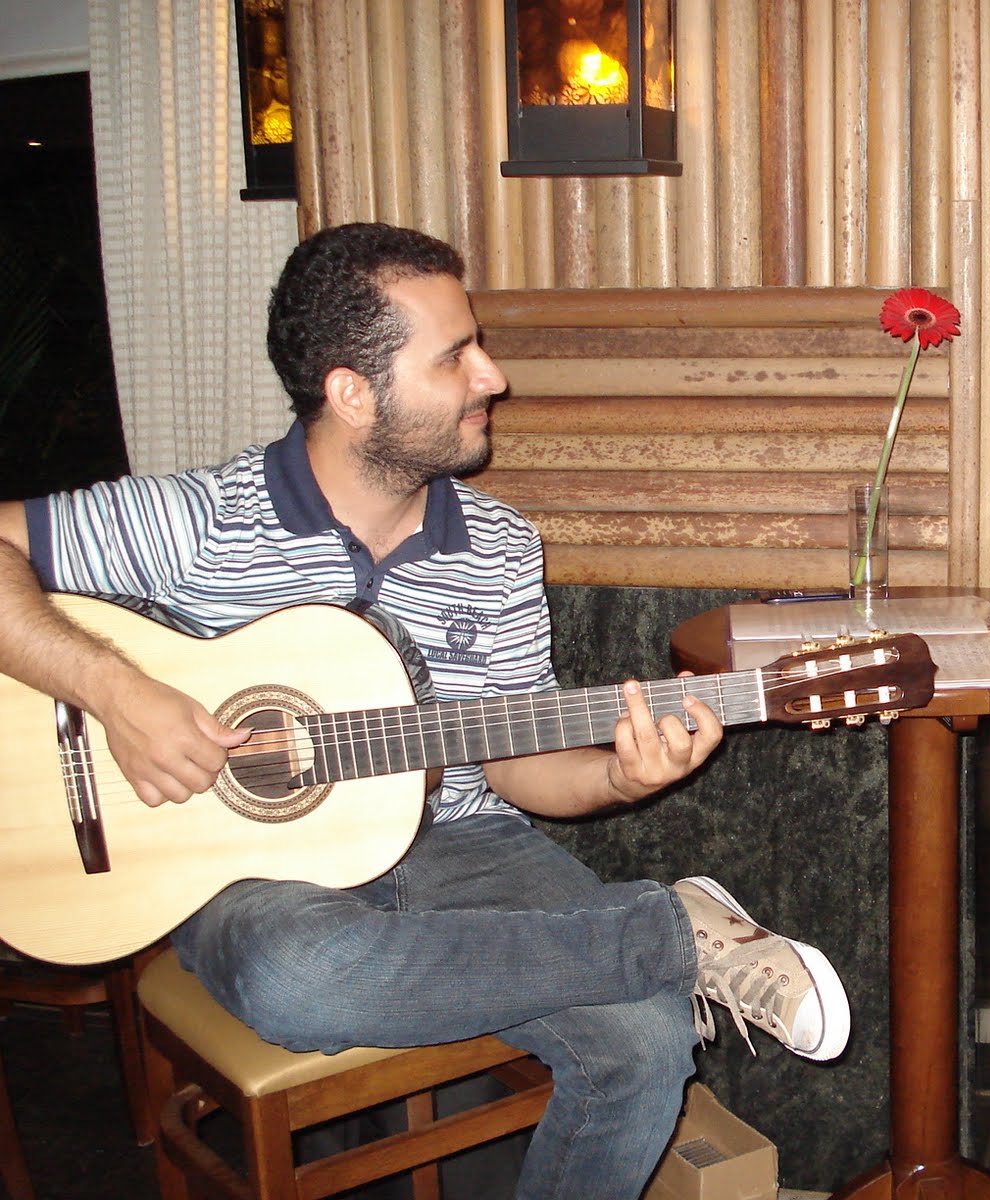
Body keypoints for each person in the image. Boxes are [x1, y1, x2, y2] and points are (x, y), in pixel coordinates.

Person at [0, 222, 851, 1200]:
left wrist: (619, 775)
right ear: (351, 391)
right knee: (300, 981)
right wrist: (116, 691)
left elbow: (513, 760)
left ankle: (661, 939)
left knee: (644, 1041)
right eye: (454, 355)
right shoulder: (197, 520)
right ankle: (667, 930)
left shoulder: (496, 547)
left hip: (469, 850)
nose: (492, 376)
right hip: (254, 873)